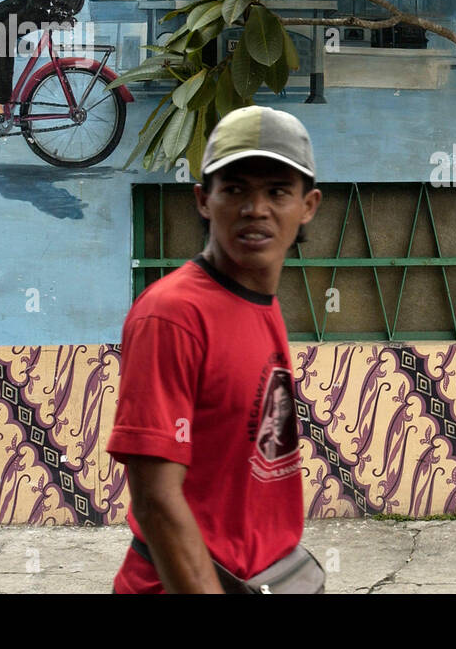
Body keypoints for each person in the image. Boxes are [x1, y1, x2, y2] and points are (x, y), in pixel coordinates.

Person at [106, 106, 322, 593]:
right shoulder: (173, 315)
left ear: (308, 206)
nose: (255, 208)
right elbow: (156, 499)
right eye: (236, 188)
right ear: (205, 200)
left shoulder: (259, 304)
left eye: (277, 191)